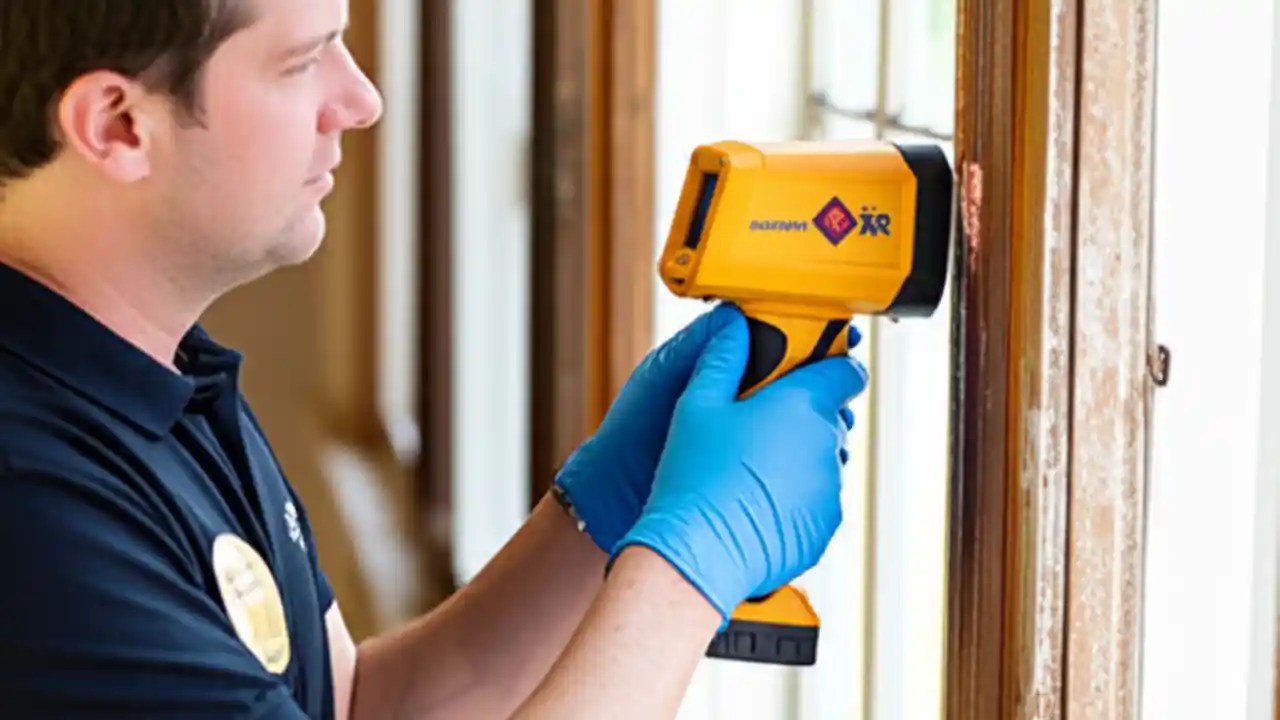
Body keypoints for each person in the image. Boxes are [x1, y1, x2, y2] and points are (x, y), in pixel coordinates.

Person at [0, 1, 868, 718]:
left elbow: (350, 703)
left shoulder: (152, 373)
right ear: (118, 123)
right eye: (305, 61)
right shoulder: (35, 508)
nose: (362, 98)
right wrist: (690, 568)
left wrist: (598, 514)